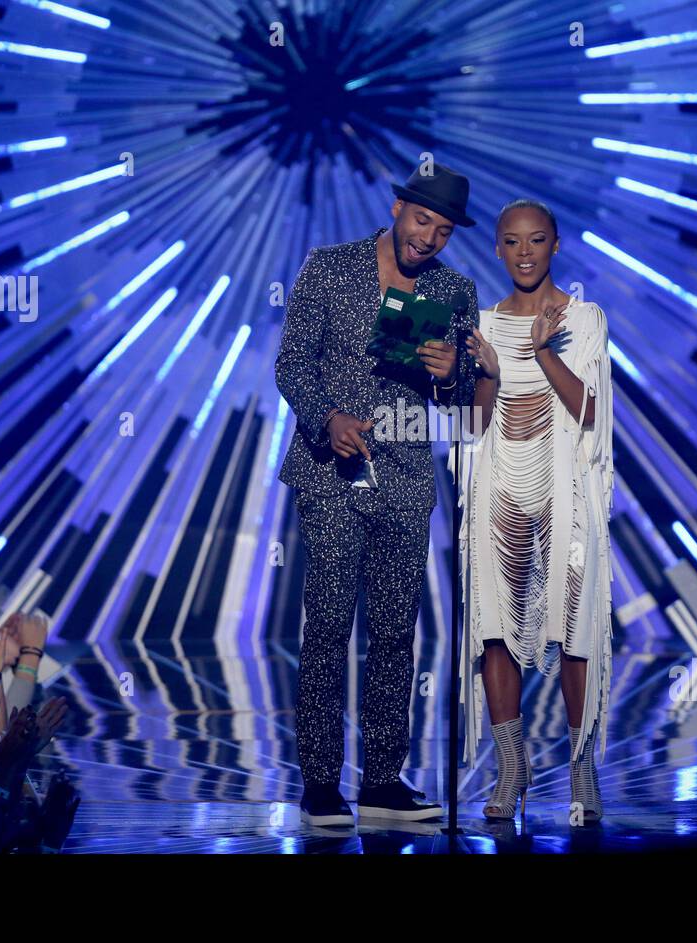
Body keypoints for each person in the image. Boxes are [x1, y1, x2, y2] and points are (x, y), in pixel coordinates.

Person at [275, 162, 478, 825]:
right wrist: (325, 417)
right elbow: (291, 362)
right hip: (331, 472)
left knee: (394, 635)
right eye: (423, 221)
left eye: (443, 231)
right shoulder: (329, 268)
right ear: (396, 209)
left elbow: (466, 399)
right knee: (329, 626)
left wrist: (453, 374)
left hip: (406, 477)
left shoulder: (454, 290)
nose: (429, 239)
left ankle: (383, 780)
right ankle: (320, 785)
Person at [456, 198, 614, 822]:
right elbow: (472, 424)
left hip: (564, 490)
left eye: (537, 239)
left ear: (555, 245)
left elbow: (592, 414)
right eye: (512, 241)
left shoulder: (586, 317)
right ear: (497, 249)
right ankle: (511, 768)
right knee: (495, 628)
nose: (525, 252)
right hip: (499, 486)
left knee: (572, 630)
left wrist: (545, 352)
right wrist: (489, 375)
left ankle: (580, 769)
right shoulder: (485, 325)